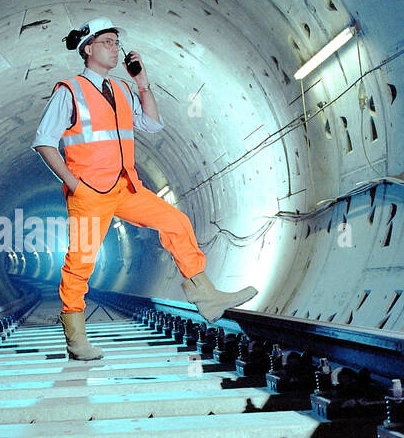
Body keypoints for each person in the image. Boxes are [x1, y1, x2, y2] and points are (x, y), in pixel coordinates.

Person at [31, 19, 257, 361]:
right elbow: (44, 142)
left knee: (175, 221)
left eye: (116, 42)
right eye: (107, 41)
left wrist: (142, 83)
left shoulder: (121, 88)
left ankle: (206, 296)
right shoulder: (70, 90)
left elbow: (151, 123)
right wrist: (74, 184)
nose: (114, 47)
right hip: (89, 192)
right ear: (88, 49)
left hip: (125, 186)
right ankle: (77, 340)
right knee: (80, 265)